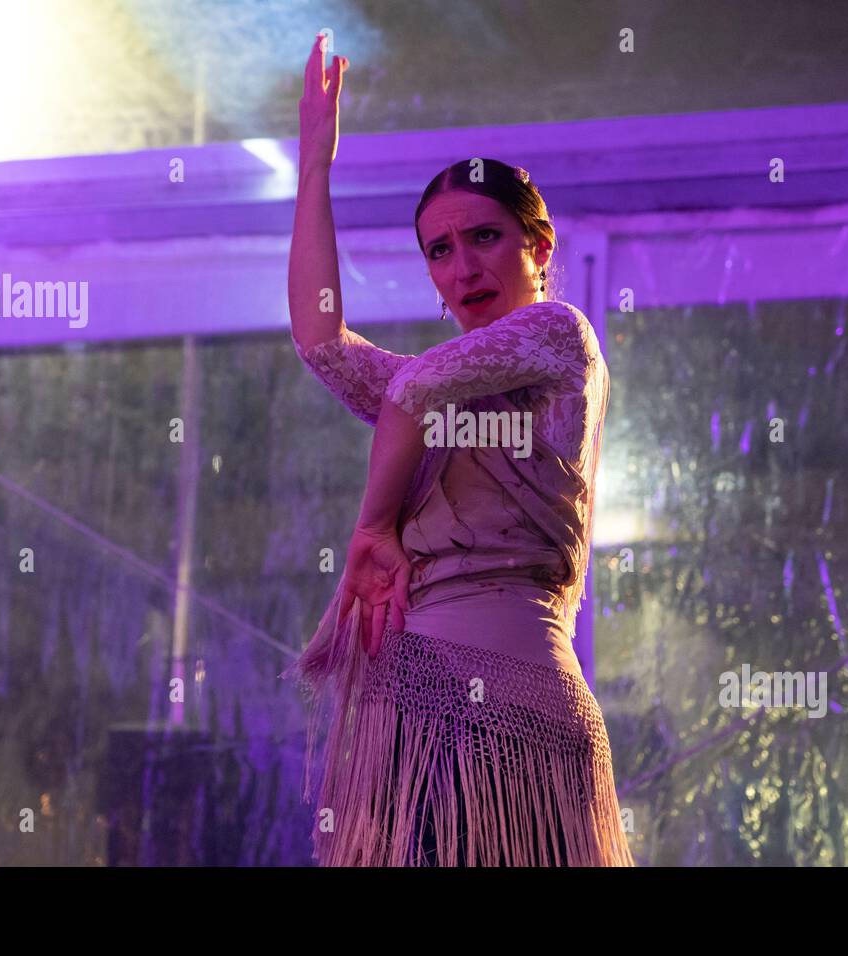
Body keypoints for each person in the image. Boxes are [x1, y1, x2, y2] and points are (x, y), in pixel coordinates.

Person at [282, 33, 634, 867]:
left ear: (538, 249)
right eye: (440, 250)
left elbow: (408, 393)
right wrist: (313, 168)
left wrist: (372, 531)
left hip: (512, 706)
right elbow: (319, 339)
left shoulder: (559, 334)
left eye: (483, 238)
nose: (461, 266)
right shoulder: (433, 390)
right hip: (411, 707)